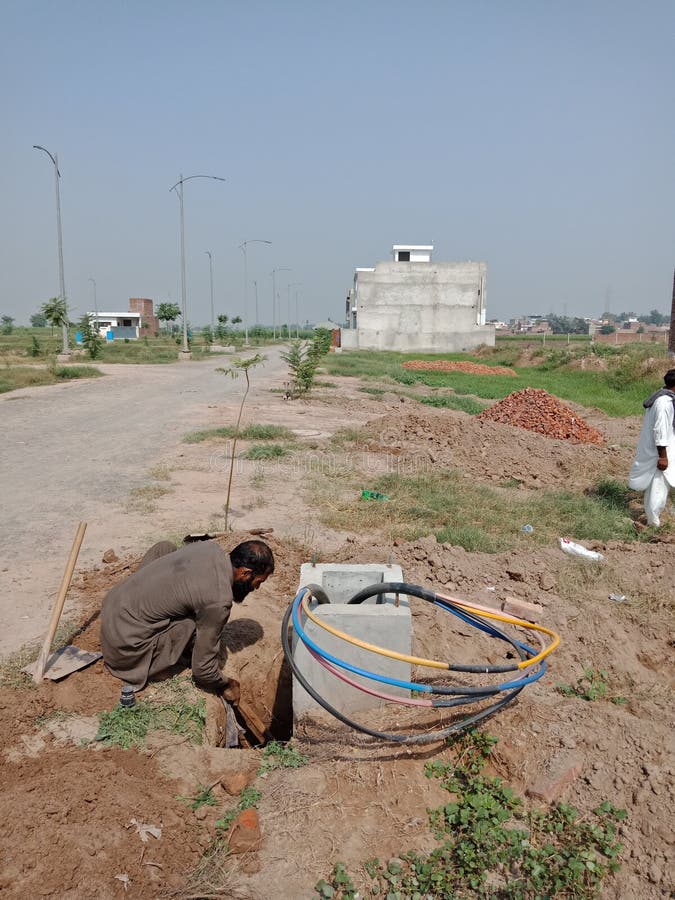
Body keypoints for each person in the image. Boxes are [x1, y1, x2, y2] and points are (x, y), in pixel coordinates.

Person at [101, 539, 274, 701]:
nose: (256, 588)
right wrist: (226, 683)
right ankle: (150, 663)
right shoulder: (219, 600)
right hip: (124, 648)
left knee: (165, 548)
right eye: (258, 582)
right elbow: (203, 671)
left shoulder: (209, 548)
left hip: (113, 609)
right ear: (246, 573)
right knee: (192, 624)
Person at [628, 369, 675, 527]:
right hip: (659, 454)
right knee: (658, 487)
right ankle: (653, 524)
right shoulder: (664, 403)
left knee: (660, 486)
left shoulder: (666, 398)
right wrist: (663, 456)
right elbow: (660, 430)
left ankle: (655, 518)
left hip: (664, 451)